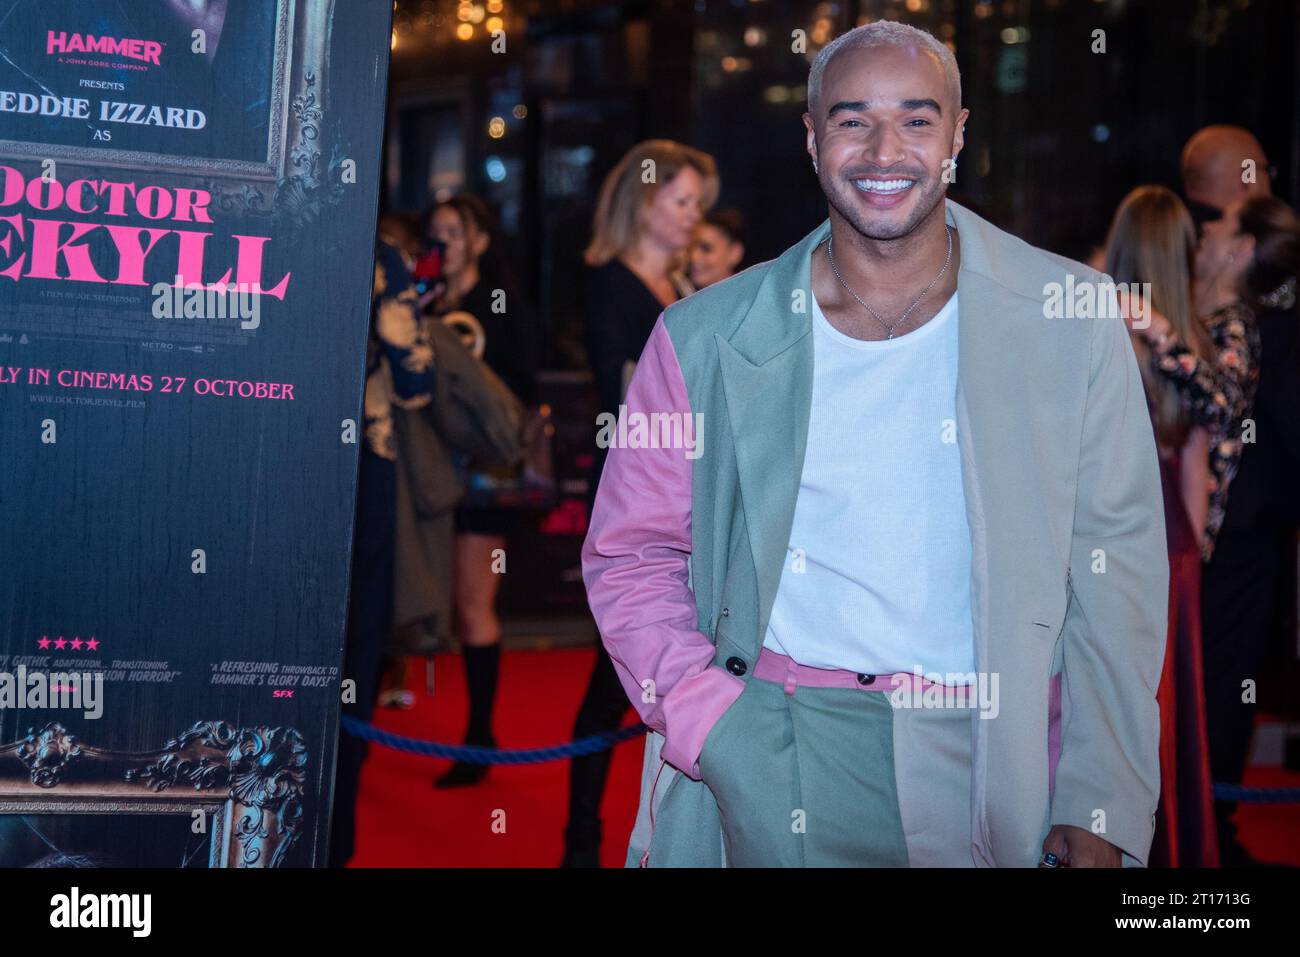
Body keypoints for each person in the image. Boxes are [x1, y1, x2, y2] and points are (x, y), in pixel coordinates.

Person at [583, 21, 1168, 868]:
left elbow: (1117, 571)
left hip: (999, 757)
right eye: (853, 120)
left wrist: (1103, 794)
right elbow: (629, 554)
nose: (884, 149)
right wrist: (714, 722)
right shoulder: (704, 335)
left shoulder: (1069, 317)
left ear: (959, 134)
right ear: (812, 136)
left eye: (918, 119)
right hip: (775, 743)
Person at [563, 139, 718, 866]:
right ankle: (581, 841)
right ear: (643, 200)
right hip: (637, 502)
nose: (693, 218)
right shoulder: (610, 282)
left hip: (699, 498)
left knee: (670, 666)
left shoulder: (688, 286)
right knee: (613, 679)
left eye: (699, 206)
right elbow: (625, 392)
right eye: (682, 201)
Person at [1104, 185, 1242, 867]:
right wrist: (1196, 552)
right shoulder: (1187, 336)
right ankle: (1166, 856)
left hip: (1113, 531)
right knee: (1164, 705)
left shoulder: (1105, 324)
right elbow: (1197, 465)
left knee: (1113, 699)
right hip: (1169, 537)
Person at [1185, 186, 1300, 863]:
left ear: (1243, 248)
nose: (1203, 230)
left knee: (1222, 691)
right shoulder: (1230, 319)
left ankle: (1212, 838)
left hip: (1233, 545)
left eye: (1218, 222)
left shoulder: (1248, 328)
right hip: (1222, 543)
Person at [426, 194, 538, 788]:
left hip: (478, 480)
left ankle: (478, 736)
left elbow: (519, 392)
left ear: (479, 242)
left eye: (453, 232)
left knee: (474, 606)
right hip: (423, 476)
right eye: (435, 233)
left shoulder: (499, 307)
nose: (441, 244)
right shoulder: (418, 302)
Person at [688, 208, 748, 289]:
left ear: (735, 253)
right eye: (689, 247)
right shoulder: (679, 292)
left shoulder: (749, 298)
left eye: (706, 249)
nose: (693, 257)